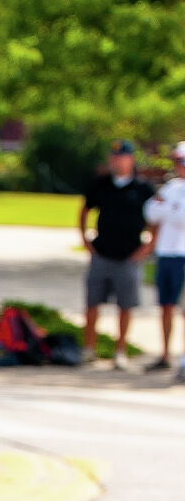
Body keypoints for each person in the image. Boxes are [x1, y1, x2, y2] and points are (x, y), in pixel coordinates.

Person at [80, 140, 156, 370]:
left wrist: (147, 247)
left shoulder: (143, 188)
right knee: (92, 302)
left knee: (126, 305)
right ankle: (89, 349)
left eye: (121, 157)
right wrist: (84, 238)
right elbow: (85, 208)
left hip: (129, 255)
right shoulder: (101, 184)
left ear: (131, 159)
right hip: (102, 252)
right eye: (113, 157)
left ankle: (120, 351)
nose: (116, 161)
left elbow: (155, 218)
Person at [141, 142, 185, 376]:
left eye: (181, 161)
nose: (178, 166)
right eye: (177, 161)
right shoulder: (172, 187)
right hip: (166, 254)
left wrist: (166, 208)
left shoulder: (170, 192)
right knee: (165, 306)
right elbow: (150, 212)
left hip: (183, 257)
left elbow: (180, 218)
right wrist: (170, 208)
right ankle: (165, 354)